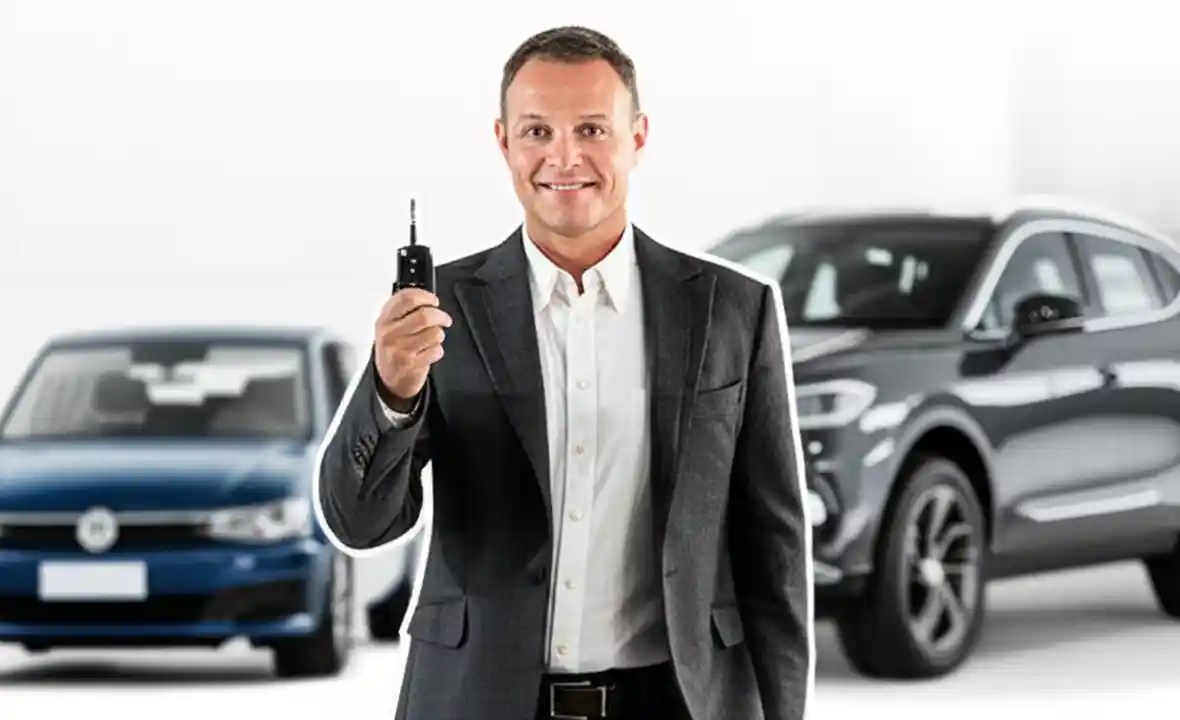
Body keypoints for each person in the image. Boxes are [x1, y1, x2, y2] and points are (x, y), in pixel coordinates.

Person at [316, 25, 811, 720]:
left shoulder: (733, 308)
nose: (564, 157)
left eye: (591, 129)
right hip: (478, 701)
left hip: (679, 702)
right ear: (504, 142)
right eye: (538, 131)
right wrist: (391, 390)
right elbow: (358, 523)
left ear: (637, 137)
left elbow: (775, 553)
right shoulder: (440, 312)